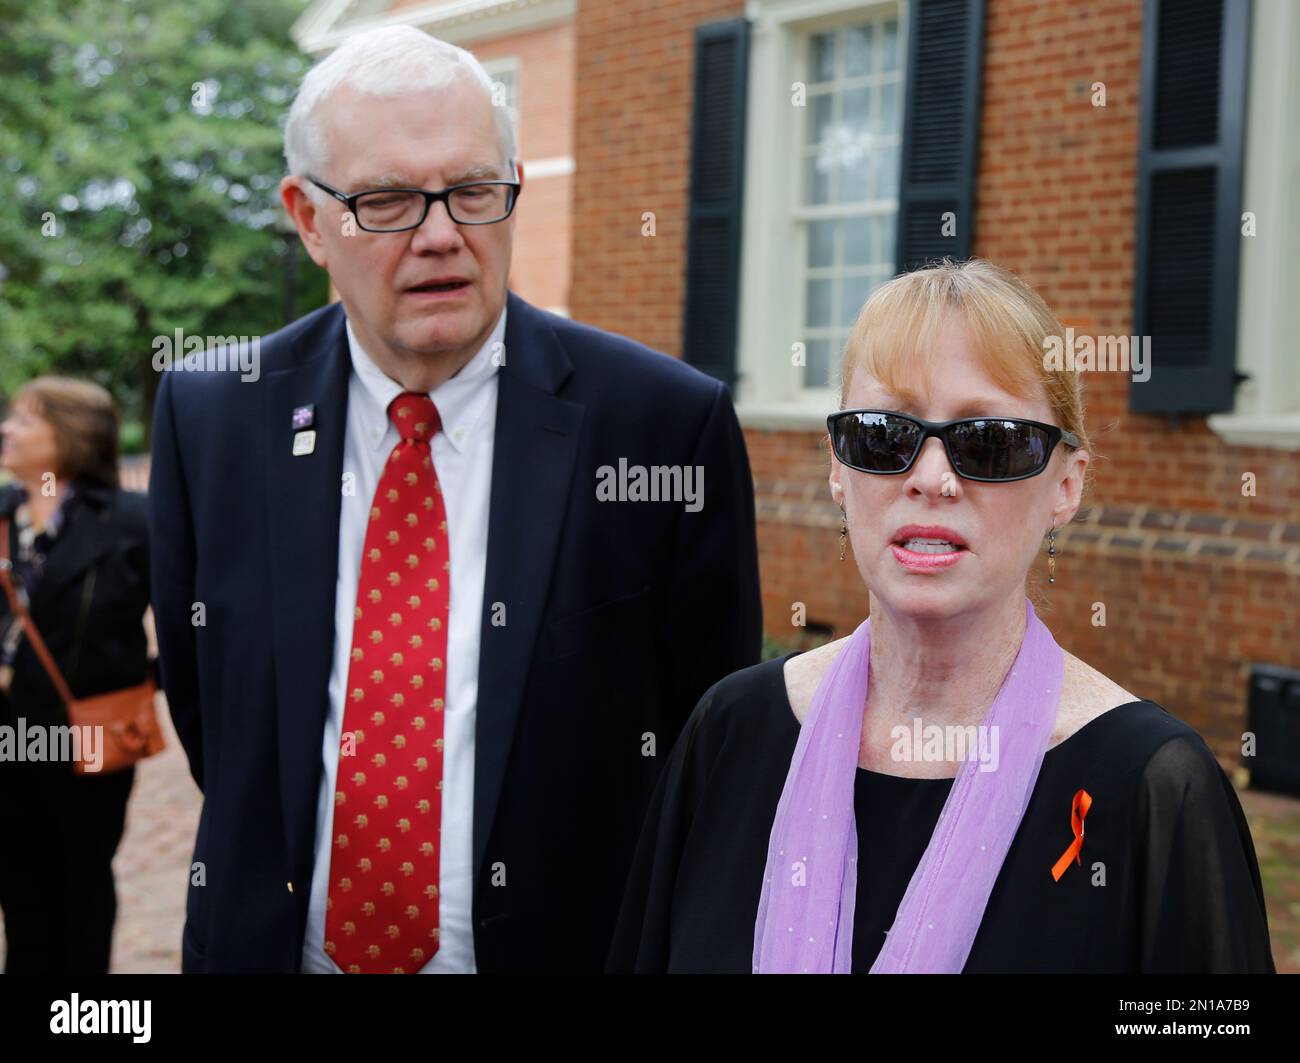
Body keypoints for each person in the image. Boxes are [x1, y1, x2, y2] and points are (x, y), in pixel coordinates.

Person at [148, 25, 762, 974]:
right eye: (389, 200)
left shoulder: (660, 424)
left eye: (474, 191)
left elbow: (705, 742)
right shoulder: (213, 415)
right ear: (308, 219)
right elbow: (213, 717)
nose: (442, 234)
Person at [607, 259, 1275, 974]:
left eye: (988, 440)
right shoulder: (731, 734)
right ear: (837, 467)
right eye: (884, 435)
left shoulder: (1152, 789)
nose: (931, 477)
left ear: (1067, 485)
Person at [0, 377, 151, 973]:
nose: (7, 429)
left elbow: (198, 619)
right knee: (20, 893)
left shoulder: (130, 521)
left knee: (84, 886)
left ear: (71, 433)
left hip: (90, 735)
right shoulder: (4, 513)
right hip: (8, 737)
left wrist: (142, 681)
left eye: (24, 419)